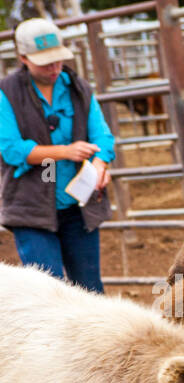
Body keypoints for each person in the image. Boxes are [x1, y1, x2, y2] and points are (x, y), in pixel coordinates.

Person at [0, 17, 114, 292]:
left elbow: (102, 136)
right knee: (47, 292)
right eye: (44, 61)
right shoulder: (7, 93)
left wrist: (100, 163)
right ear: (23, 57)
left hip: (78, 206)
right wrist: (66, 151)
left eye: (58, 60)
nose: (54, 67)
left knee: (89, 289)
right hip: (31, 209)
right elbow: (11, 149)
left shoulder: (78, 89)